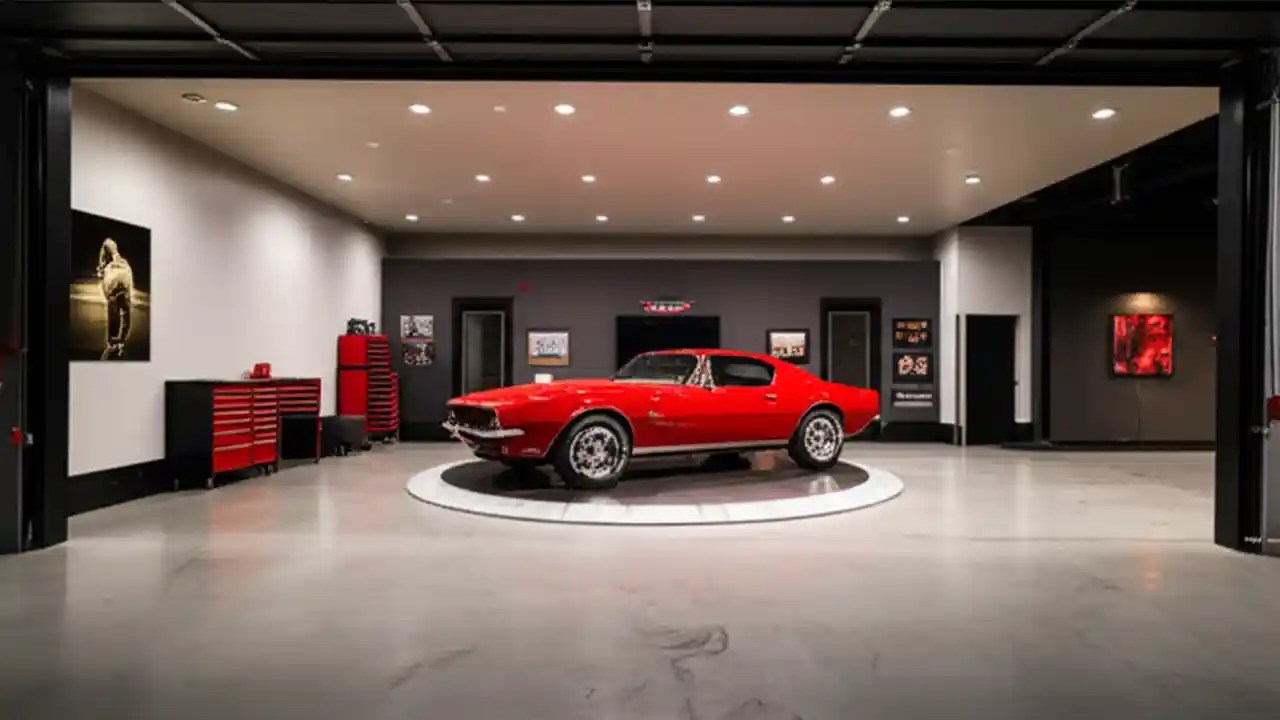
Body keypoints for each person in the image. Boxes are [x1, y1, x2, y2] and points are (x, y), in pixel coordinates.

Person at [97, 238, 133, 360]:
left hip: (117, 291)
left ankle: (116, 342)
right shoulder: (114, 266)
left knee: (119, 312)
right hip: (117, 292)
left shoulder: (119, 265)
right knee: (119, 313)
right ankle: (115, 342)